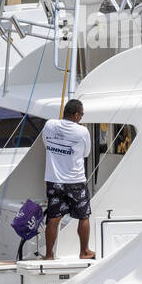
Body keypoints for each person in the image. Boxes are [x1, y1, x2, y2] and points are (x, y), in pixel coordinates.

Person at [42, 97, 94, 260]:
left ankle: (49, 255)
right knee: (83, 216)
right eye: (82, 115)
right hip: (75, 181)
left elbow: (46, 144)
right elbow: (86, 154)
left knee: (53, 217)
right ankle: (84, 251)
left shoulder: (49, 125)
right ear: (77, 114)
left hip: (54, 180)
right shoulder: (82, 131)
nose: (81, 118)